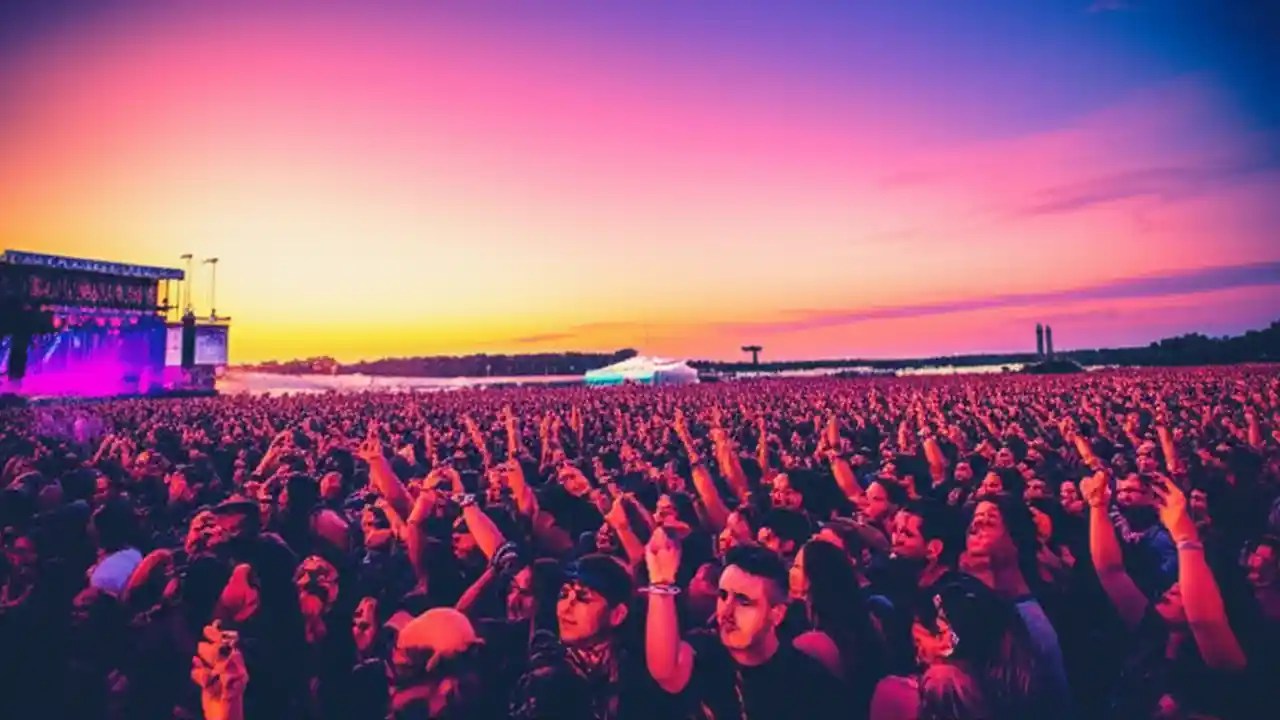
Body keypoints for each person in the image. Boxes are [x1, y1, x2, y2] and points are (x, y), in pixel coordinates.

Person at [645, 529, 848, 719]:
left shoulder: (808, 684)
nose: (726, 611)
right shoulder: (706, 651)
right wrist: (661, 581)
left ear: (776, 614)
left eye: (744, 602)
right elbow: (666, 672)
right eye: (723, 596)